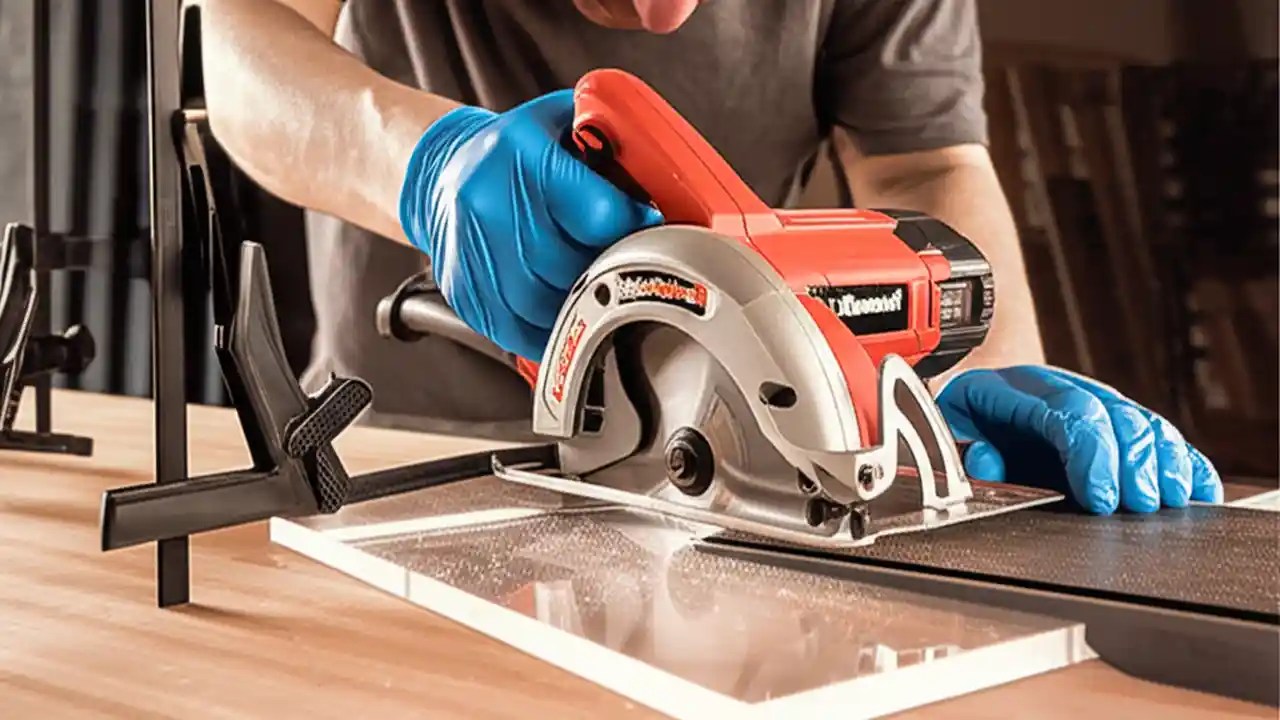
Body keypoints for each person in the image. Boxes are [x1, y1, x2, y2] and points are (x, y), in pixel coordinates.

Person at [199, 0, 1223, 514]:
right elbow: (241, 45)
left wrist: (954, 396)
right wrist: (423, 164)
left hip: (733, 461)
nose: (660, 17)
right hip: (400, 453)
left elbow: (923, 168)